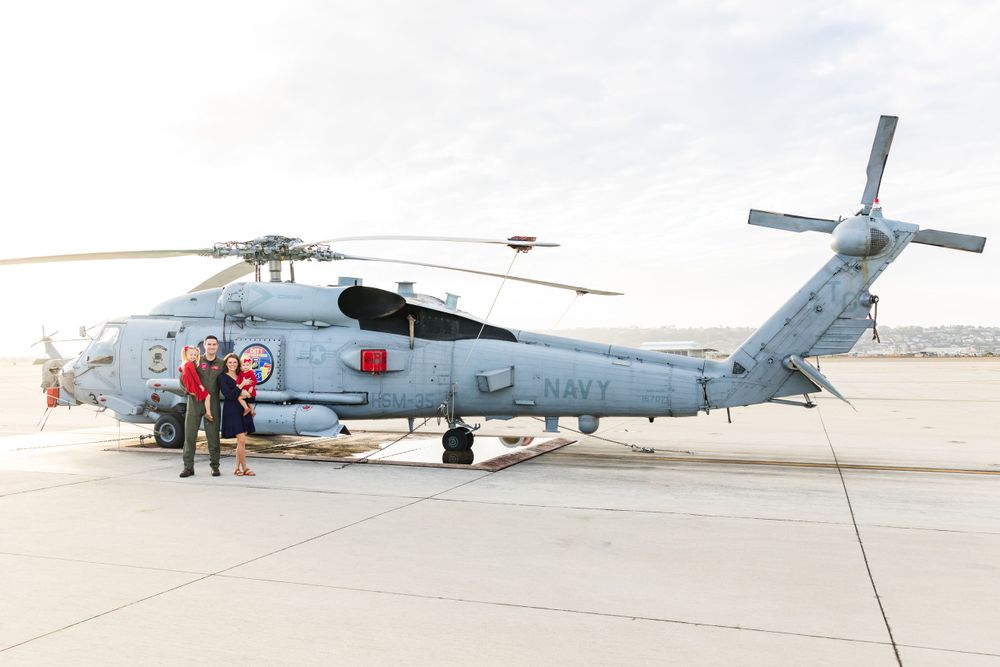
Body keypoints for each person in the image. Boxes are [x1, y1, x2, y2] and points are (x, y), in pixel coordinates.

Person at [180, 335, 224, 478]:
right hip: (195, 403)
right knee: (190, 437)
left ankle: (215, 467)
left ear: (217, 346)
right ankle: (188, 467)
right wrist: (187, 390)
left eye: (214, 344)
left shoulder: (221, 363)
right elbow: (183, 377)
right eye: (209, 344)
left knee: (213, 437)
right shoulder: (196, 360)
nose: (211, 347)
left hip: (212, 404)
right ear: (204, 345)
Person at [219, 353, 256, 476]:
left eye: (235, 362)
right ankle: (245, 468)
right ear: (226, 364)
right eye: (230, 362)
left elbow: (251, 392)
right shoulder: (222, 377)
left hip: (244, 410)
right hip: (232, 410)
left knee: (241, 442)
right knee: (241, 439)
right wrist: (242, 385)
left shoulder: (242, 375)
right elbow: (229, 396)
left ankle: (236, 468)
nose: (232, 365)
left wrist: (249, 397)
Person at [178, 346, 214, 424]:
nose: (193, 357)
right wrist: (200, 385)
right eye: (191, 355)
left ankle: (206, 412)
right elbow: (195, 376)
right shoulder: (190, 364)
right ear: (186, 355)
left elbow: (180, 370)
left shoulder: (184, 364)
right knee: (208, 395)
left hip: (189, 386)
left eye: (195, 355)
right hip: (193, 386)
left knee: (203, 397)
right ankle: (208, 413)